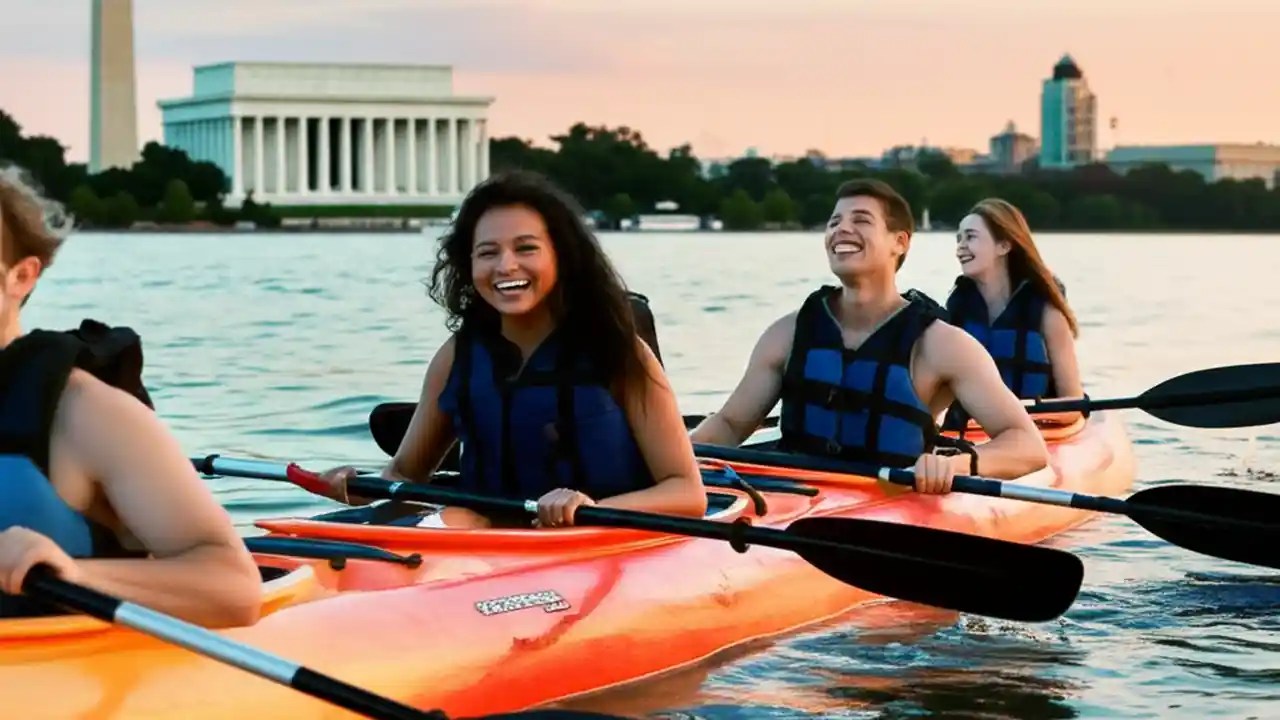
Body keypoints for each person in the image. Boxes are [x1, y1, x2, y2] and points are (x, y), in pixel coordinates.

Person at [312, 170, 706, 528]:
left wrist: (585, 507)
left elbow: (687, 493)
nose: (506, 266)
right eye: (487, 253)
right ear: (468, 266)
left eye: (526, 248)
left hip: (598, 540)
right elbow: (404, 478)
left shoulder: (620, 352)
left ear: (562, 256)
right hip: (488, 540)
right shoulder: (456, 358)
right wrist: (356, 487)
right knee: (452, 519)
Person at [0, 165, 260, 625]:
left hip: (57, 675)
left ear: (21, 276)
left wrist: (74, 575)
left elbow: (234, 588)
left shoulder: (86, 414)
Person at [689, 179, 1049, 494]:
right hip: (792, 497)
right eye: (834, 222)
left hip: (888, 500)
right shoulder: (787, 333)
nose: (841, 230)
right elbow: (731, 424)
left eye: (861, 220)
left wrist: (957, 464)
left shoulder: (942, 346)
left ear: (900, 242)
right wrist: (672, 467)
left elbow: (1026, 445)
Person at [943, 198, 1083, 430]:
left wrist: (1018, 423)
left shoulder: (1045, 309)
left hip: (1037, 430)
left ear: (1004, 246)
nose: (960, 247)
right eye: (958, 239)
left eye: (970, 237)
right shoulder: (957, 309)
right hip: (971, 432)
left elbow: (1072, 403)